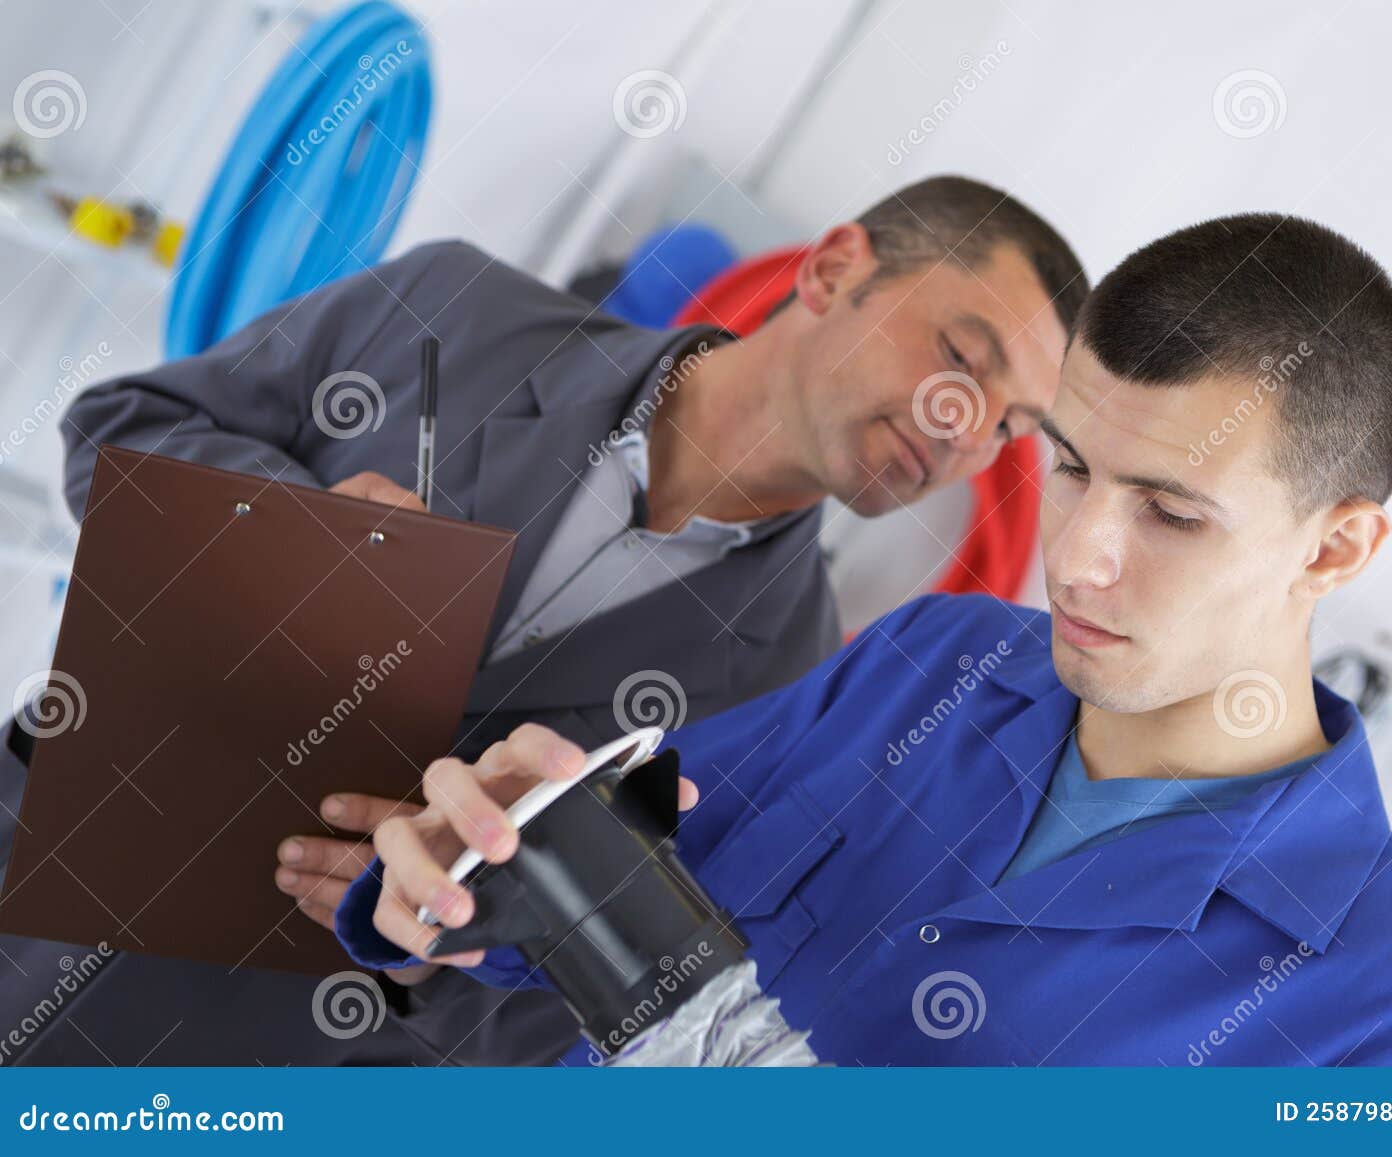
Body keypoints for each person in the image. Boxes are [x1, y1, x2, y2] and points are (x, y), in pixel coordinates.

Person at [337, 213, 1392, 1066]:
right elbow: (606, 871)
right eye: (1073, 468)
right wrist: (476, 863)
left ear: (1332, 551)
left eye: (1171, 512)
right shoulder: (930, 666)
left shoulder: (1382, 1022)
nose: (1079, 554)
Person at [0, 177, 1087, 1065]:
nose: (965, 430)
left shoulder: (789, 693)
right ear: (833, 267)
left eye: (1010, 426)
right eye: (961, 355)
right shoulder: (456, 313)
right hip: (45, 829)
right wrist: (284, 524)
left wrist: (430, 952)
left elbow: (564, 1010)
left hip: (190, 1046)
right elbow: (120, 429)